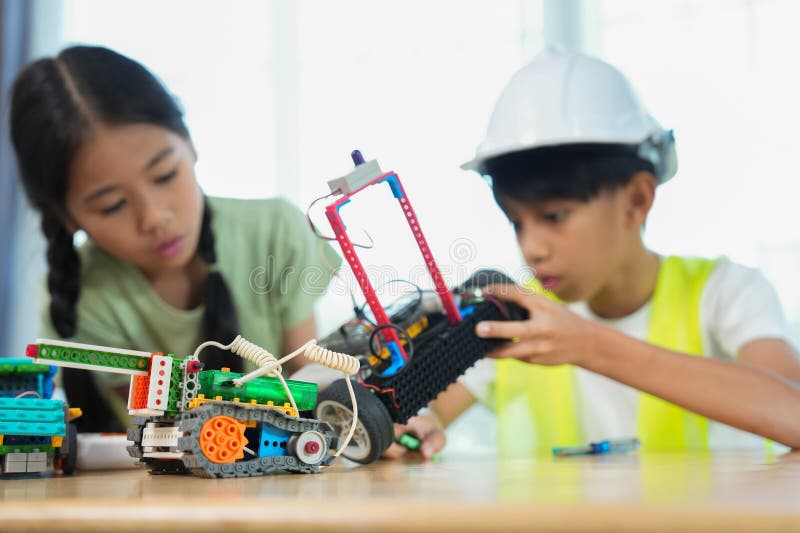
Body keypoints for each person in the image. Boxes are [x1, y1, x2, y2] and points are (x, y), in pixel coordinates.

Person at [386, 50, 800, 459]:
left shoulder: (726, 292)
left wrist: (590, 346)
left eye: (554, 215)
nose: (532, 247)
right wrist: (417, 426)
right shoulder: (515, 316)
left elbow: (793, 413)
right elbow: (431, 415)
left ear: (637, 200)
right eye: (517, 222)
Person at [10, 45, 341, 432]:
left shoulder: (275, 231)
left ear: (190, 142)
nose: (154, 218)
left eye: (165, 175)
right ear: (65, 217)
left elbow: (307, 377)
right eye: (113, 205)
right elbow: (139, 432)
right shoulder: (83, 296)